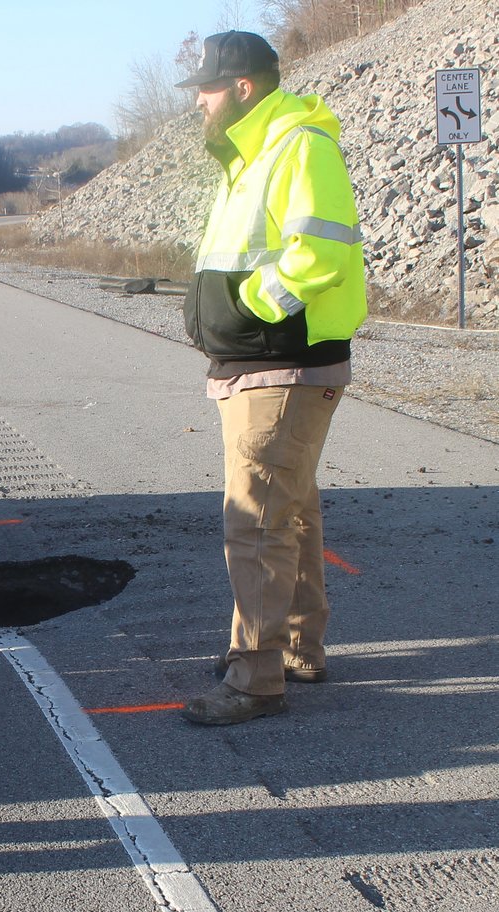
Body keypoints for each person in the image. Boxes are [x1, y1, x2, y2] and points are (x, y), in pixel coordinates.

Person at [173, 31, 368, 726]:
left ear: (244, 88)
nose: (199, 98)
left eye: (208, 87)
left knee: (254, 517)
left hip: (282, 362)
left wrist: (252, 310)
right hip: (263, 365)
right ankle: (293, 647)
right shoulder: (252, 153)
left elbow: (321, 252)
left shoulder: (298, 145)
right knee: (292, 505)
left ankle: (254, 675)